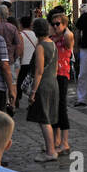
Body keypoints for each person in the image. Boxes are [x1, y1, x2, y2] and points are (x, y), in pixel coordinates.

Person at [25, 17, 60, 163]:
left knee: (44, 119)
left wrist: (33, 92)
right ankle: (51, 148)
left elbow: (39, 71)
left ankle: (50, 151)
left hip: (43, 85)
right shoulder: (52, 44)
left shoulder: (40, 47)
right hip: (53, 83)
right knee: (49, 117)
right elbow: (56, 68)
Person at [49, 12, 74, 155]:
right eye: (53, 24)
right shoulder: (52, 38)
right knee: (54, 107)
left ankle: (65, 142)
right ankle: (56, 140)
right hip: (52, 75)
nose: (55, 26)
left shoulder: (67, 36)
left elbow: (69, 38)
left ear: (64, 25)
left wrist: (65, 28)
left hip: (62, 75)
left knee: (62, 107)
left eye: (58, 23)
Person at [0, 5, 23, 86]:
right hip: (10, 60)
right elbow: (18, 45)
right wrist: (15, 57)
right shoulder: (12, 27)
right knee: (11, 83)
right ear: (7, 14)